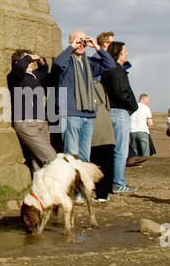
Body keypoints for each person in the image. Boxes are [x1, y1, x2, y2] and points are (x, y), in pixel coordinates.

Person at [49, 31, 114, 162]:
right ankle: (72, 182)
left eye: (84, 41)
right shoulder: (66, 62)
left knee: (85, 156)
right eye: (79, 41)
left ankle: (82, 182)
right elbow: (57, 64)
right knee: (71, 155)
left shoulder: (89, 63)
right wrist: (72, 47)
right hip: (71, 113)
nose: (82, 44)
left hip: (88, 115)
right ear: (71, 42)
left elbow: (110, 65)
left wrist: (96, 47)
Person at [6, 48, 57, 171]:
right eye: (27, 60)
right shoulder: (16, 76)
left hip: (39, 122)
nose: (31, 62)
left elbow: (44, 70)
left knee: (38, 161)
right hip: (26, 123)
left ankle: (39, 188)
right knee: (51, 158)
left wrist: (40, 61)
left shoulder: (34, 76)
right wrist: (29, 57)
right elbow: (18, 68)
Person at [101, 40, 139, 193]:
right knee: (120, 150)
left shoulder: (110, 70)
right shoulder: (116, 71)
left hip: (113, 111)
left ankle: (114, 181)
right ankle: (118, 182)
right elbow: (121, 92)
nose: (127, 53)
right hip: (120, 111)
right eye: (125, 51)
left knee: (115, 150)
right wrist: (133, 106)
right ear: (119, 53)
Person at [89, 80, 116, 201]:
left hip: (93, 127)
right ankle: (105, 192)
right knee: (107, 162)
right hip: (106, 128)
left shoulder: (85, 83)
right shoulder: (100, 84)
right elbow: (107, 105)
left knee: (96, 162)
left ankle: (99, 191)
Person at [128, 94, 156, 158]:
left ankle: (136, 164)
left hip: (132, 131)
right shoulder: (146, 108)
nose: (148, 102)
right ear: (144, 99)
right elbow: (150, 123)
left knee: (134, 151)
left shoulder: (132, 106)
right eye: (148, 100)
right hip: (142, 131)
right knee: (145, 151)